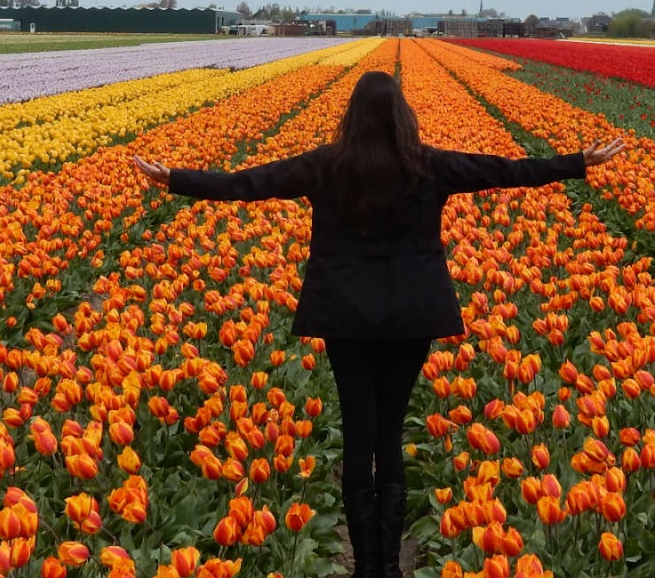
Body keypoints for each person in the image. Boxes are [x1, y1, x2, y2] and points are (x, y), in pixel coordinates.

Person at [133, 69, 625, 578]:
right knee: (389, 434)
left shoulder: (327, 166)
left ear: (352, 116)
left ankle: (365, 567)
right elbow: (501, 170)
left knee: (357, 434)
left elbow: (247, 184)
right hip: (410, 317)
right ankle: (389, 566)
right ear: (401, 117)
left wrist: (174, 178)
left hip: (346, 318)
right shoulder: (427, 166)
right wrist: (576, 163)